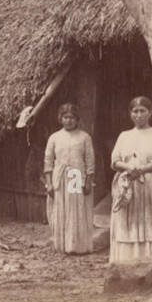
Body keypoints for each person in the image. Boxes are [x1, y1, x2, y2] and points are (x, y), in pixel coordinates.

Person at [109, 96, 152, 264]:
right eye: (135, 111)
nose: (138, 115)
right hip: (127, 185)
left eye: (142, 111)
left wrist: (142, 170)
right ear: (130, 114)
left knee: (149, 223)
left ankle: (151, 261)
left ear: (150, 113)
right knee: (128, 224)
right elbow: (114, 161)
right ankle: (126, 261)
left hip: (149, 186)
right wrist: (129, 168)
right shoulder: (124, 136)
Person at [42, 102, 95, 254]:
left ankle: (75, 245)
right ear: (60, 118)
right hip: (59, 177)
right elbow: (48, 160)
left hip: (76, 176)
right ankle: (61, 244)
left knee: (75, 208)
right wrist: (49, 183)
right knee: (61, 208)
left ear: (77, 119)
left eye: (72, 117)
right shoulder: (55, 137)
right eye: (65, 117)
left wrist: (88, 181)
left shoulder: (84, 137)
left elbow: (90, 161)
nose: (68, 120)